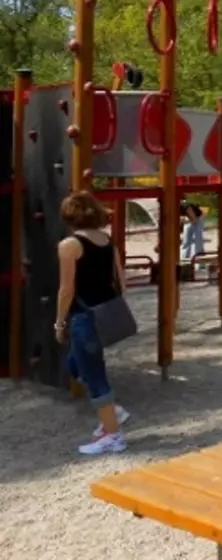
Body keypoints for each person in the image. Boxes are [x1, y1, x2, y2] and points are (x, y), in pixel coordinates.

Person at [54, 190, 131, 456]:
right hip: (104, 310)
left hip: (83, 315)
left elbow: (66, 290)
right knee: (76, 364)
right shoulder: (108, 241)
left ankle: (113, 436)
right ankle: (114, 413)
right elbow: (122, 281)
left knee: (94, 373)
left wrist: (59, 322)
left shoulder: (69, 245)